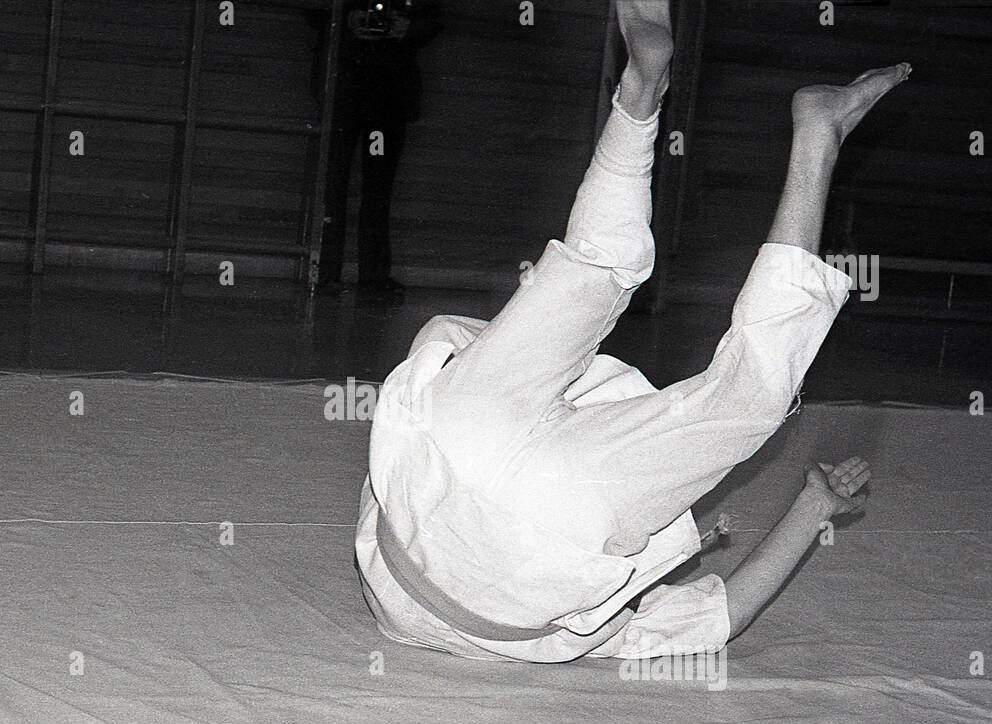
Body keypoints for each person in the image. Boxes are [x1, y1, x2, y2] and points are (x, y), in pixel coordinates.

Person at [353, 0, 908, 663]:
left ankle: (816, 138)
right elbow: (718, 618)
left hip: (537, 518)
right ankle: (638, 98)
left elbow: (721, 613)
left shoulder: (589, 603)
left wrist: (812, 507)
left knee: (744, 399)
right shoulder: (404, 533)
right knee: (589, 267)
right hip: (448, 448)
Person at [316, 0, 443, 299]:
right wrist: (346, 21)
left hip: (386, 95)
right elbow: (315, 12)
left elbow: (433, 19)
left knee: (374, 191)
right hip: (346, 89)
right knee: (337, 187)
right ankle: (327, 272)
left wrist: (407, 28)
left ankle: (366, 275)